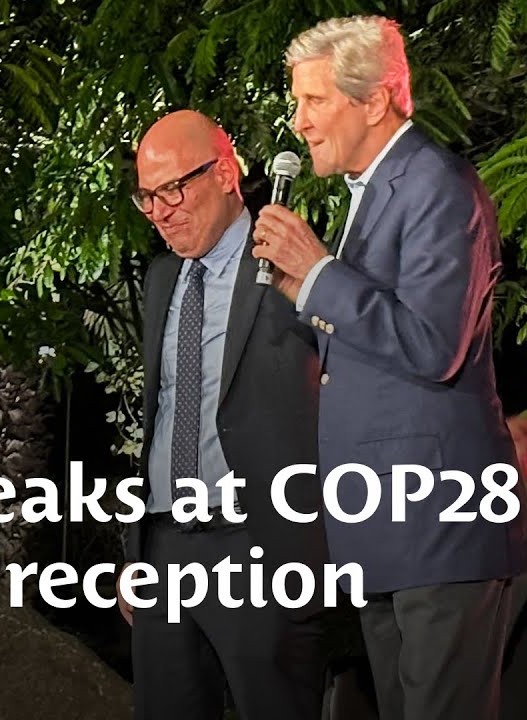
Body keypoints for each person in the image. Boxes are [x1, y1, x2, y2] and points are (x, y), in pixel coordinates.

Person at [251, 15, 527, 720]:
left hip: (440, 528)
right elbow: (369, 353)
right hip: (387, 531)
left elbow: (433, 345)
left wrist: (319, 273)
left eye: (314, 101)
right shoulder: (377, 189)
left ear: (374, 101)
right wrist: (306, 295)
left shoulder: (436, 184)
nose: (299, 123)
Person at [116, 109, 331, 720]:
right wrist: (138, 551)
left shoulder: (291, 262)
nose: (160, 211)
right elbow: (159, 416)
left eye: (173, 189)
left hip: (260, 550)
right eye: (147, 198)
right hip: (164, 553)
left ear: (226, 171)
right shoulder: (160, 280)